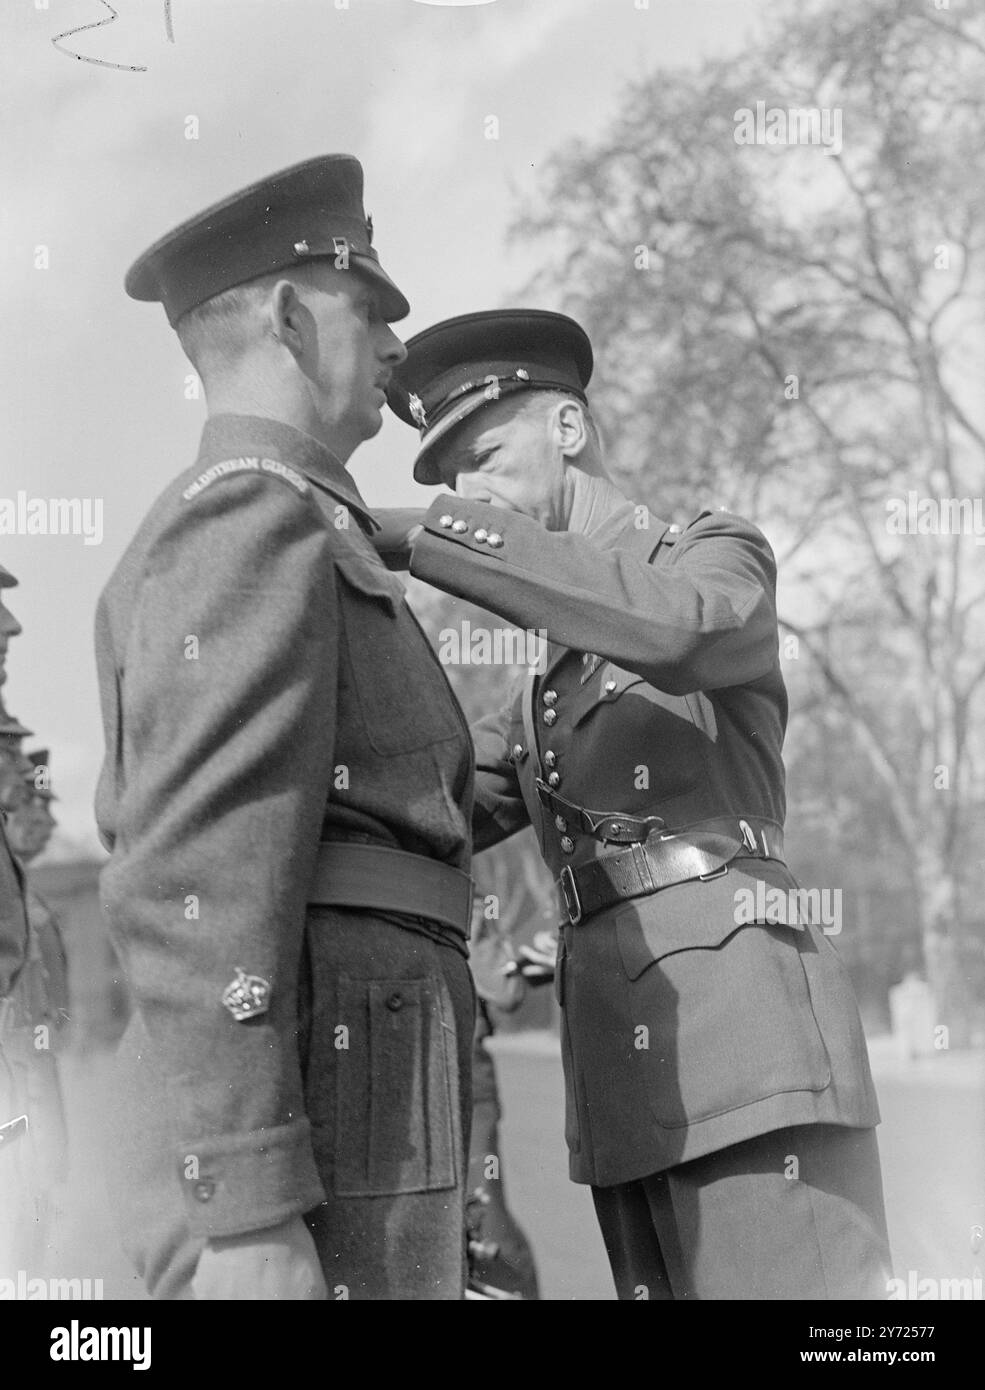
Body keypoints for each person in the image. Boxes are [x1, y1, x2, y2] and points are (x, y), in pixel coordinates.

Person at [377, 308, 892, 1300]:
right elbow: (422, 801)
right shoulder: (543, 692)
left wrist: (436, 538)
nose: (464, 495)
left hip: (749, 1056)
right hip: (625, 1090)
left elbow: (677, 631)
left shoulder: (708, 556)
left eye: (482, 459)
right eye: (445, 486)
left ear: (568, 429)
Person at [94, 156, 476, 1301]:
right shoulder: (256, 516)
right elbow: (190, 876)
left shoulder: (300, 520)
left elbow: (389, 801)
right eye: (374, 311)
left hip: (355, 1056)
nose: (401, 348)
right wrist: (250, 1210)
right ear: (292, 317)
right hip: (319, 1084)